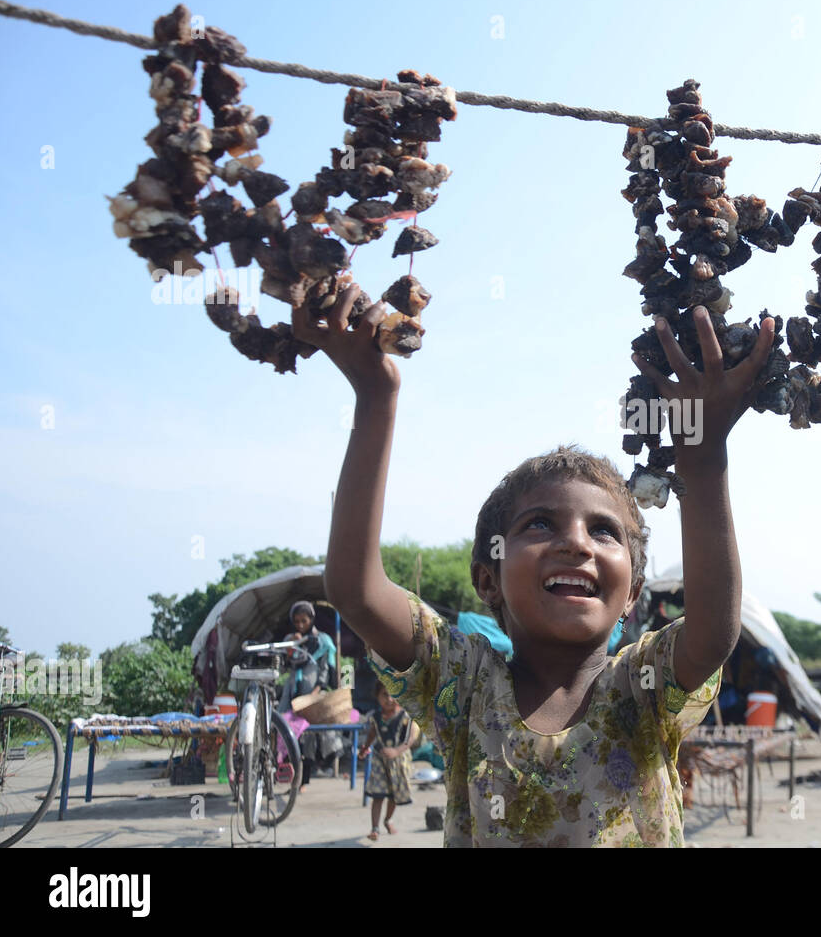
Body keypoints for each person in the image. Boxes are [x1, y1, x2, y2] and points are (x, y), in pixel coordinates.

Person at [294, 285, 774, 846]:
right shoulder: (463, 684)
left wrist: (701, 453)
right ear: (487, 579)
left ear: (634, 593)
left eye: (604, 531)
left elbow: (715, 631)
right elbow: (354, 589)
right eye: (540, 525)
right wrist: (377, 398)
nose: (577, 544)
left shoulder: (643, 686)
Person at [279, 601, 341, 784]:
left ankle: (304, 780)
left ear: (311, 620)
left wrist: (314, 693)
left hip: (311, 695)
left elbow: (324, 671)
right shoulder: (290, 640)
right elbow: (283, 668)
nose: (300, 625)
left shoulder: (322, 641)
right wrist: (291, 649)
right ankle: (288, 774)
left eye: (304, 621)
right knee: (286, 731)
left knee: (309, 738)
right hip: (291, 694)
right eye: (296, 621)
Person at [359, 681, 422, 840]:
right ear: (377, 697)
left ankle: (388, 819)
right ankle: (375, 828)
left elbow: (410, 740)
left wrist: (396, 751)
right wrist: (365, 747)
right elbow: (373, 732)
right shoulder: (376, 716)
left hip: (399, 761)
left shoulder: (405, 717)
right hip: (380, 760)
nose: (389, 699)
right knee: (377, 794)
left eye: (393, 695)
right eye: (384, 695)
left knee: (393, 795)